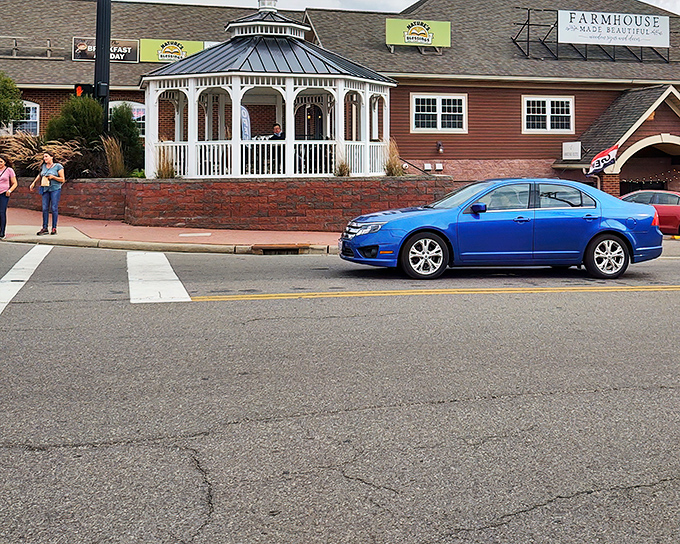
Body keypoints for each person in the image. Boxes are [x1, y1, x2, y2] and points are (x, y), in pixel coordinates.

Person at [29, 151, 65, 235]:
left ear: (51, 157)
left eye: (46, 156)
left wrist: (53, 177)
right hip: (45, 189)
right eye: (44, 157)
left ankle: (54, 227)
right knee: (45, 208)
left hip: (55, 189)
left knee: (54, 208)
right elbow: (40, 175)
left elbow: (62, 179)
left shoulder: (58, 166)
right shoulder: (44, 166)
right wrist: (34, 182)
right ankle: (44, 227)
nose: (45, 158)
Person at [0, 155, 19, 240]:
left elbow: (15, 183)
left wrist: (9, 190)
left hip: (4, 193)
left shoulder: (9, 170)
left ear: (5, 162)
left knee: (2, 212)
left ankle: (2, 232)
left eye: (1, 161)